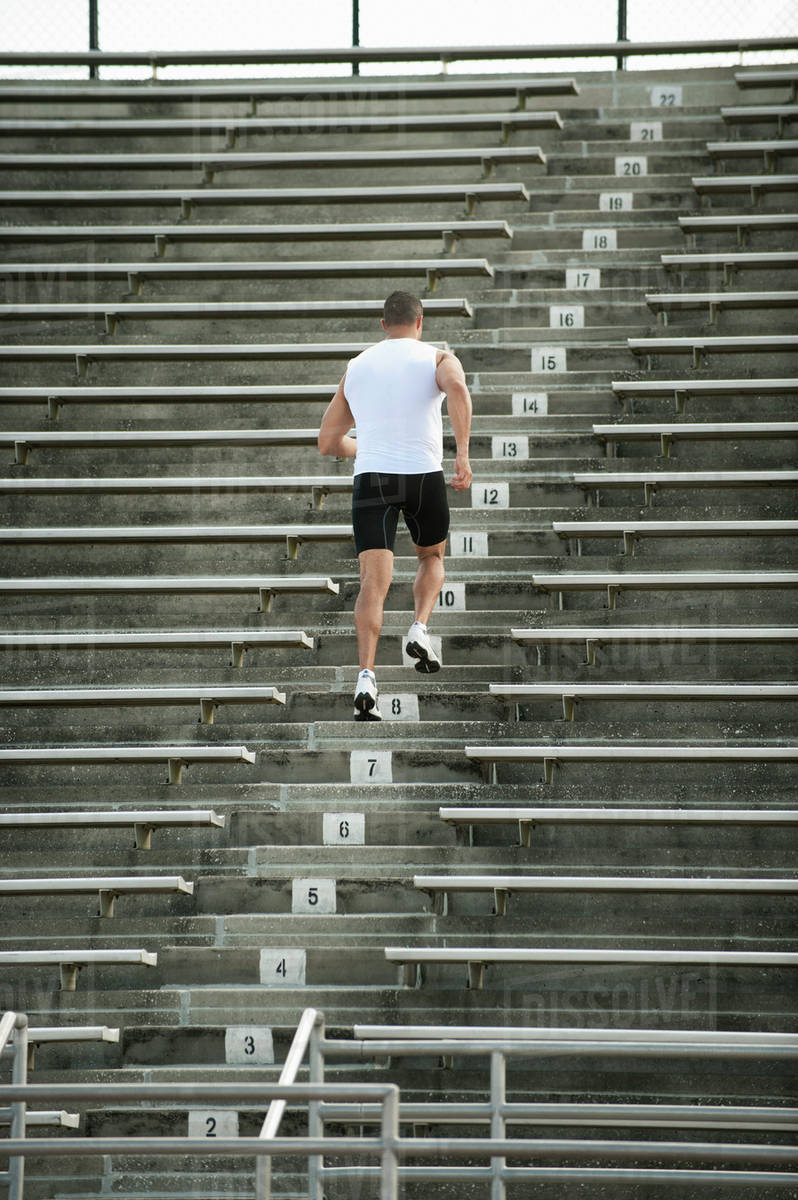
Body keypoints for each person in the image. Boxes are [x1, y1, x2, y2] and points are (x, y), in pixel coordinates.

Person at [318, 290, 472, 720]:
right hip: (423, 475)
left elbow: (327, 442)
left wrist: (365, 445)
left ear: (383, 325)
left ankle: (366, 675)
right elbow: (457, 389)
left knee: (373, 583)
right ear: (420, 323)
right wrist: (461, 453)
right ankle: (420, 626)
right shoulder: (438, 358)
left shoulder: (357, 367)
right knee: (433, 556)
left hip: (373, 479)